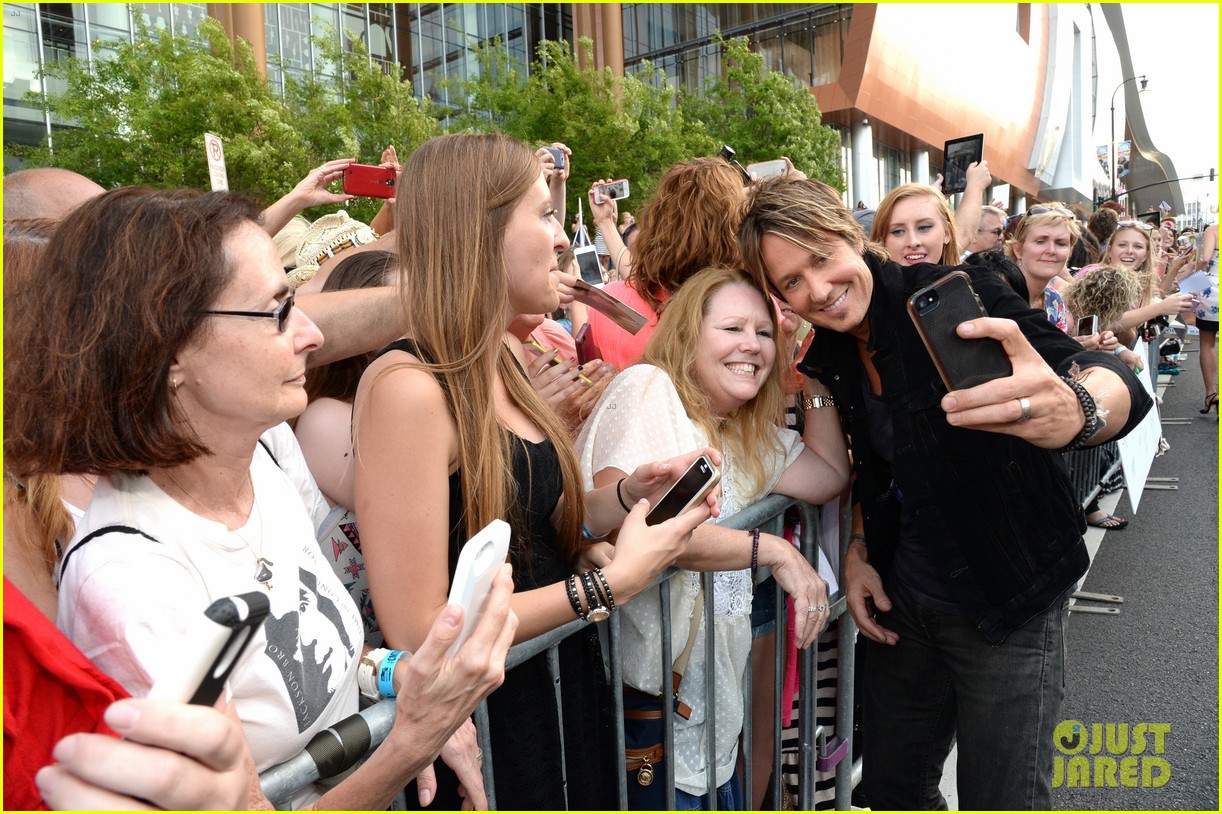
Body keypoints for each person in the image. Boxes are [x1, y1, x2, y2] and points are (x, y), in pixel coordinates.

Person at [6, 186, 517, 810]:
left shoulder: (268, 453)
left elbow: (315, 636)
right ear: (168, 351)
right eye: (276, 310)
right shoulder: (129, 581)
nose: (309, 334)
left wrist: (396, 674)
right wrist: (412, 739)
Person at [736, 176, 1152, 810]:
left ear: (851, 235)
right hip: (905, 606)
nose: (817, 289)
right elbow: (874, 466)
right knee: (893, 790)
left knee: (1003, 797)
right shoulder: (829, 353)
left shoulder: (957, 295)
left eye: (821, 257)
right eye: (792, 282)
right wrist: (857, 549)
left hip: (1007, 595)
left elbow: (1108, 376)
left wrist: (1080, 408)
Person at [352, 134, 715, 810]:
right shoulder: (407, 386)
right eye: (543, 214)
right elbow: (422, 628)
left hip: (562, 686)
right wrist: (611, 585)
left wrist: (631, 496)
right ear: (479, 230)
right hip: (490, 732)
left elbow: (541, 526)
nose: (560, 240)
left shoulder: (506, 360)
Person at [575, 265, 850, 808]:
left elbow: (829, 475)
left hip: (709, 723)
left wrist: (813, 378)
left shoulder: (742, 431)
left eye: (764, 333)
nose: (753, 345)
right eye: (732, 329)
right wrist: (769, 548)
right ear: (688, 334)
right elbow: (636, 527)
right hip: (647, 713)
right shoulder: (649, 388)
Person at [581, 157, 747, 368]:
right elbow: (794, 389)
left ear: (656, 218)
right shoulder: (752, 308)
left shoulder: (608, 304)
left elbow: (635, 305)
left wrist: (605, 223)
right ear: (735, 226)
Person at [870, 183, 961, 267]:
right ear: (881, 241)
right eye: (898, 231)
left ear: (947, 233)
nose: (913, 242)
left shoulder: (971, 281)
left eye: (924, 227)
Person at [1190, 223, 1220, 412]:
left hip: (1214, 290)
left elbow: (1204, 260)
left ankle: (1211, 394)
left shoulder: (1214, 230)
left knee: (1207, 343)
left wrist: (1188, 281)